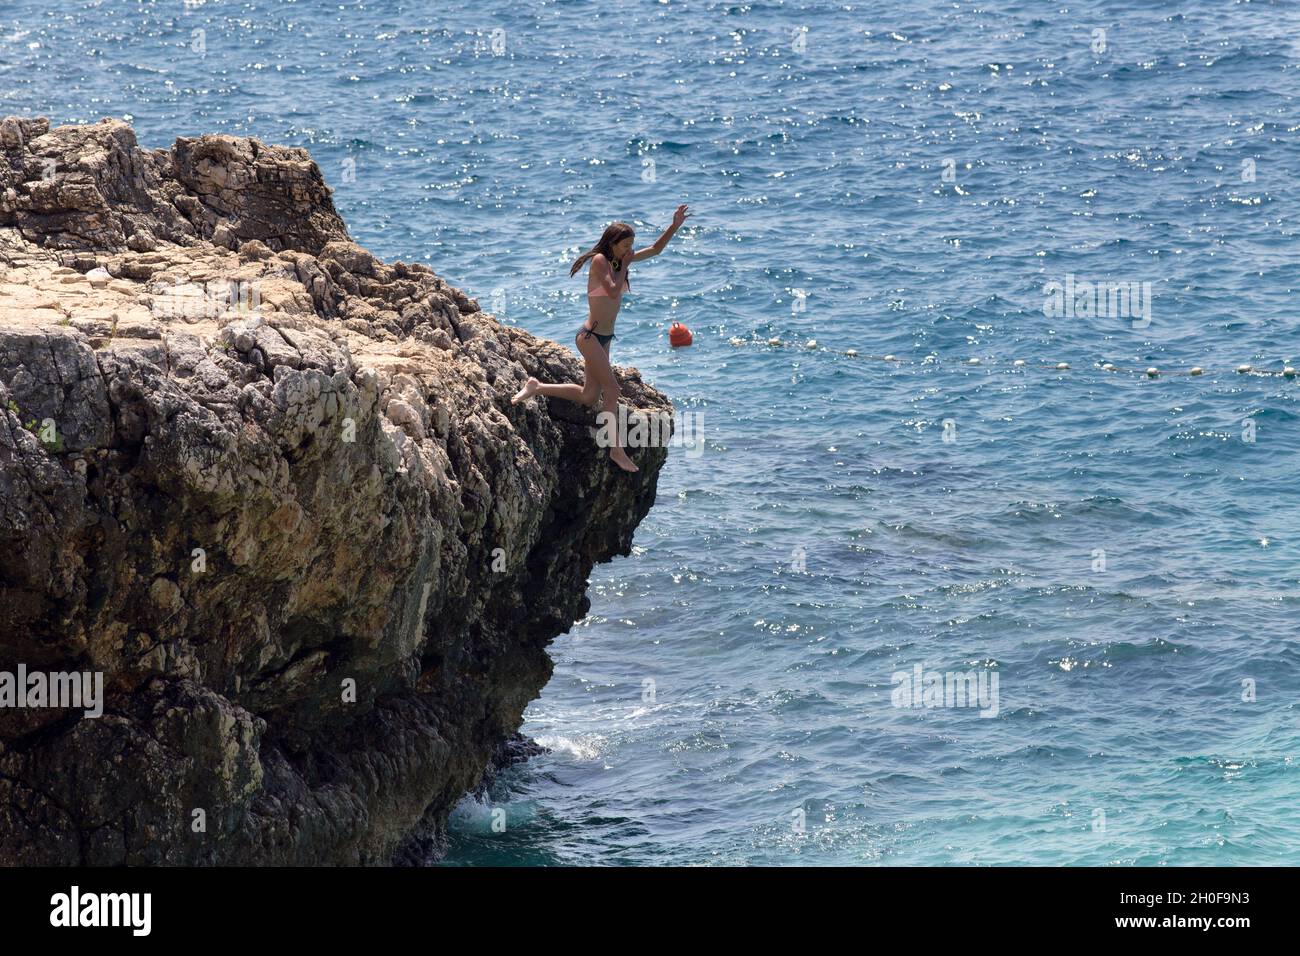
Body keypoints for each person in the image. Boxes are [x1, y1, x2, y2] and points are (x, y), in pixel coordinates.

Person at [512, 204, 691, 473]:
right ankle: (616, 450)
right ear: (612, 243)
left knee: (588, 396)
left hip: (604, 338)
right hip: (589, 337)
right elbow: (610, 289)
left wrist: (674, 226)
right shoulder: (600, 262)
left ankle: (536, 387)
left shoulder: (620, 262)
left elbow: (655, 250)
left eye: (632, 245)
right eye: (625, 245)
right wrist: (625, 265)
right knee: (613, 390)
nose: (629, 250)